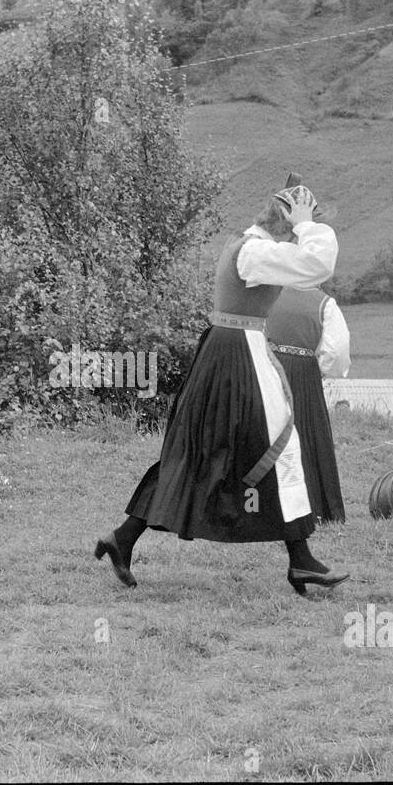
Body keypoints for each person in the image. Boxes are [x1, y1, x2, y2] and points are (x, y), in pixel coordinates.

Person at [96, 176, 350, 595]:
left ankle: (123, 538)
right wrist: (307, 224)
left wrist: (303, 222)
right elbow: (318, 263)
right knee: (268, 448)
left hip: (231, 352)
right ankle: (300, 560)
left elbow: (309, 269)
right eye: (297, 226)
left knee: (202, 453)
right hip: (237, 356)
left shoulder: (249, 246)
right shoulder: (254, 253)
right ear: (285, 224)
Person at [264, 285, 350, 525]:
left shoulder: (270, 294)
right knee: (309, 435)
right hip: (305, 372)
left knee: (271, 432)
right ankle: (316, 507)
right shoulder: (324, 303)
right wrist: (320, 371)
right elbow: (336, 350)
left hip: (272, 368)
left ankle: (265, 507)